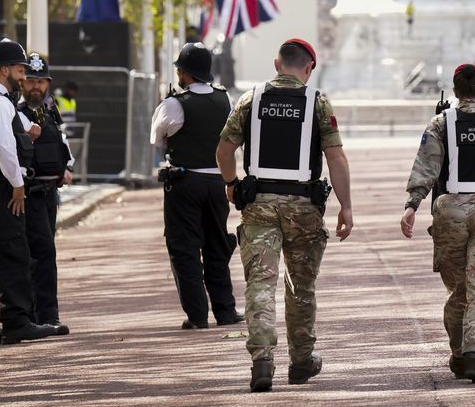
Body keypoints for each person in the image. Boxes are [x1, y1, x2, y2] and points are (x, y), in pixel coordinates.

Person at [216, 39, 353, 393]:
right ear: (309, 68)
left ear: (277, 64)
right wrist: (346, 207)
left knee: (261, 283)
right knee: (300, 287)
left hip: (259, 204)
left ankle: (262, 359)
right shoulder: (317, 102)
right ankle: (302, 362)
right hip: (303, 208)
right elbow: (336, 158)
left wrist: (232, 183)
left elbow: (224, 150)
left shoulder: (251, 99)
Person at [400, 63, 475, 384]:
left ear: (455, 92)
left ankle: (459, 352)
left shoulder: (441, 123)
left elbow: (426, 166)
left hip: (451, 211)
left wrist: (412, 205)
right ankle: (473, 353)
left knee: (459, 290)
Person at [150, 42, 241, 330]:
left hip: (185, 182)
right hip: (217, 181)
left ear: (184, 73)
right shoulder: (225, 99)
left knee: (185, 248)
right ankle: (225, 311)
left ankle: (197, 315)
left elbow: (157, 138)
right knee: (217, 246)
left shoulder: (175, 103)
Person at [0, 39, 56, 345]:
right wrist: (17, 184)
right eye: (20, 69)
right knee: (13, 254)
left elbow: (24, 126)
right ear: (4, 70)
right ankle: (16, 320)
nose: (24, 77)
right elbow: (4, 147)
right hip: (1, 190)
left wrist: (26, 126)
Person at [16, 53, 73, 335]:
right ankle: (45, 315)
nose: (36, 86)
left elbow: (61, 143)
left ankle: (33, 314)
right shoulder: (15, 113)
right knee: (41, 254)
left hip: (51, 195)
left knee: (41, 254)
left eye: (41, 81)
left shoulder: (49, 112)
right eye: (31, 81)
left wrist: (67, 167)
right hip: (30, 194)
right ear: (22, 82)